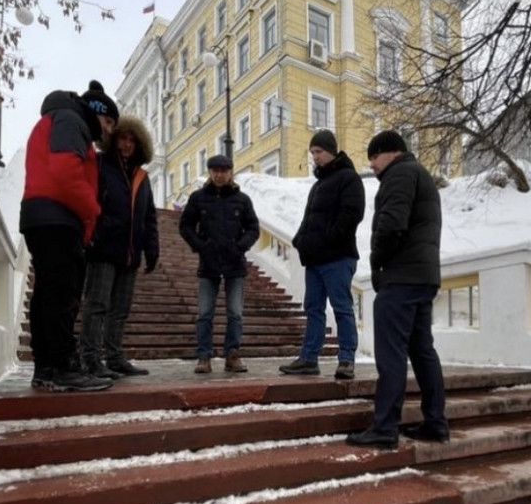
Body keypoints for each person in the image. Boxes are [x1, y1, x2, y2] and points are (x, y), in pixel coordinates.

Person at [346, 130, 449, 448]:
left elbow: (391, 225)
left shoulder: (400, 174)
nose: (372, 165)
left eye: (374, 157)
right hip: (422, 276)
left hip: (401, 277)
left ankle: (385, 427)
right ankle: (435, 423)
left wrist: (377, 263)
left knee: (391, 355)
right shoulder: (421, 176)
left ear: (390, 152)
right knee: (422, 352)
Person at [20, 80, 121, 392]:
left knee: (48, 294)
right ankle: (66, 367)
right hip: (58, 217)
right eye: (107, 123)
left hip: (43, 216)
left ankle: (47, 366)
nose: (107, 132)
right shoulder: (70, 120)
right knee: (63, 296)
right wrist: (91, 210)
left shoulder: (62, 119)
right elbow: (65, 172)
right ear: (96, 112)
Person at [78, 114, 160, 379]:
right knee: (97, 304)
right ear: (113, 140)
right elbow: (87, 199)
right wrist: (96, 232)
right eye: (122, 138)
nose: (126, 145)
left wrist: (152, 249)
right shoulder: (100, 165)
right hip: (103, 248)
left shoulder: (142, 177)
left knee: (120, 309)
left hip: (130, 253)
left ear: (139, 145)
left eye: (132, 141)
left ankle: (114, 357)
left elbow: (149, 216)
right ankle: (89, 358)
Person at [279, 129, 365, 380]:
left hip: (338, 256)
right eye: (312, 152)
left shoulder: (349, 177)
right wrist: (300, 241)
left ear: (331, 150)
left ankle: (347, 359)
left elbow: (352, 214)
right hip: (316, 258)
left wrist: (329, 239)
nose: (314, 157)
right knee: (313, 308)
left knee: (342, 307)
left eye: (318, 152)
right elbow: (309, 219)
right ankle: (309, 359)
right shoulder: (318, 185)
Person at [179, 154, 260, 374]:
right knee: (205, 312)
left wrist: (239, 247)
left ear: (230, 172)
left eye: (223, 170)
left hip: (235, 264)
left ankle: (232, 355)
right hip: (208, 264)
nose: (219, 174)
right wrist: (201, 246)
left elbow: (253, 228)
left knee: (235, 313)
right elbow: (185, 225)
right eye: (214, 170)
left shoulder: (242, 200)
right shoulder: (198, 198)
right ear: (209, 172)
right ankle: (204, 356)